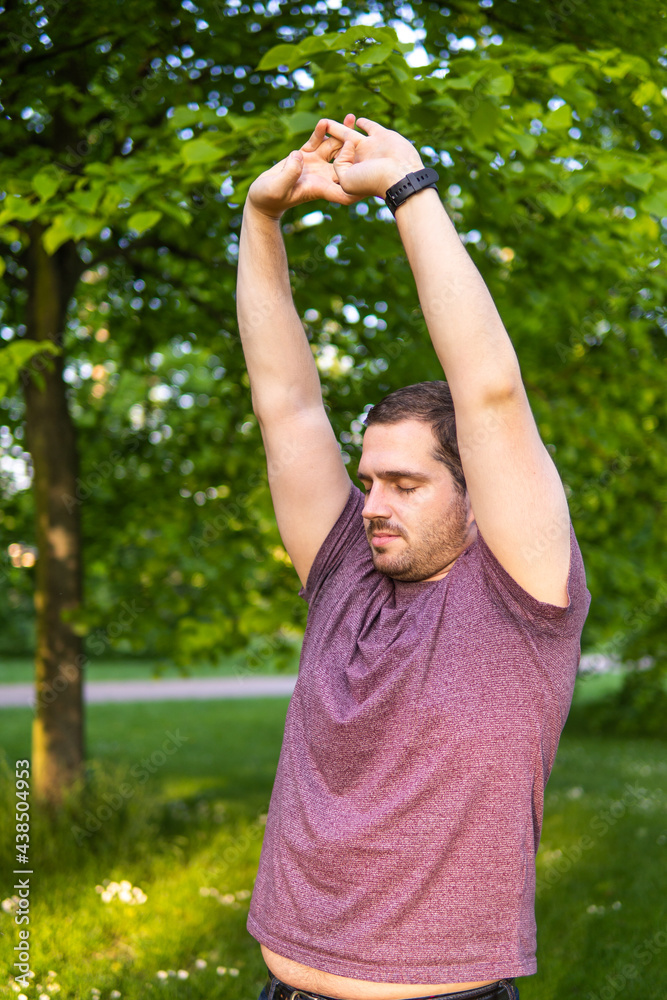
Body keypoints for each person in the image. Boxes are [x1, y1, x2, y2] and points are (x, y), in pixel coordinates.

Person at [236, 114, 591, 1000]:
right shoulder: (345, 573)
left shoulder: (522, 596)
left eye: (404, 482)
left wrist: (408, 190)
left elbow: (490, 391)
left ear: (476, 492)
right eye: (368, 480)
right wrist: (259, 219)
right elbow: (285, 403)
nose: (372, 506)